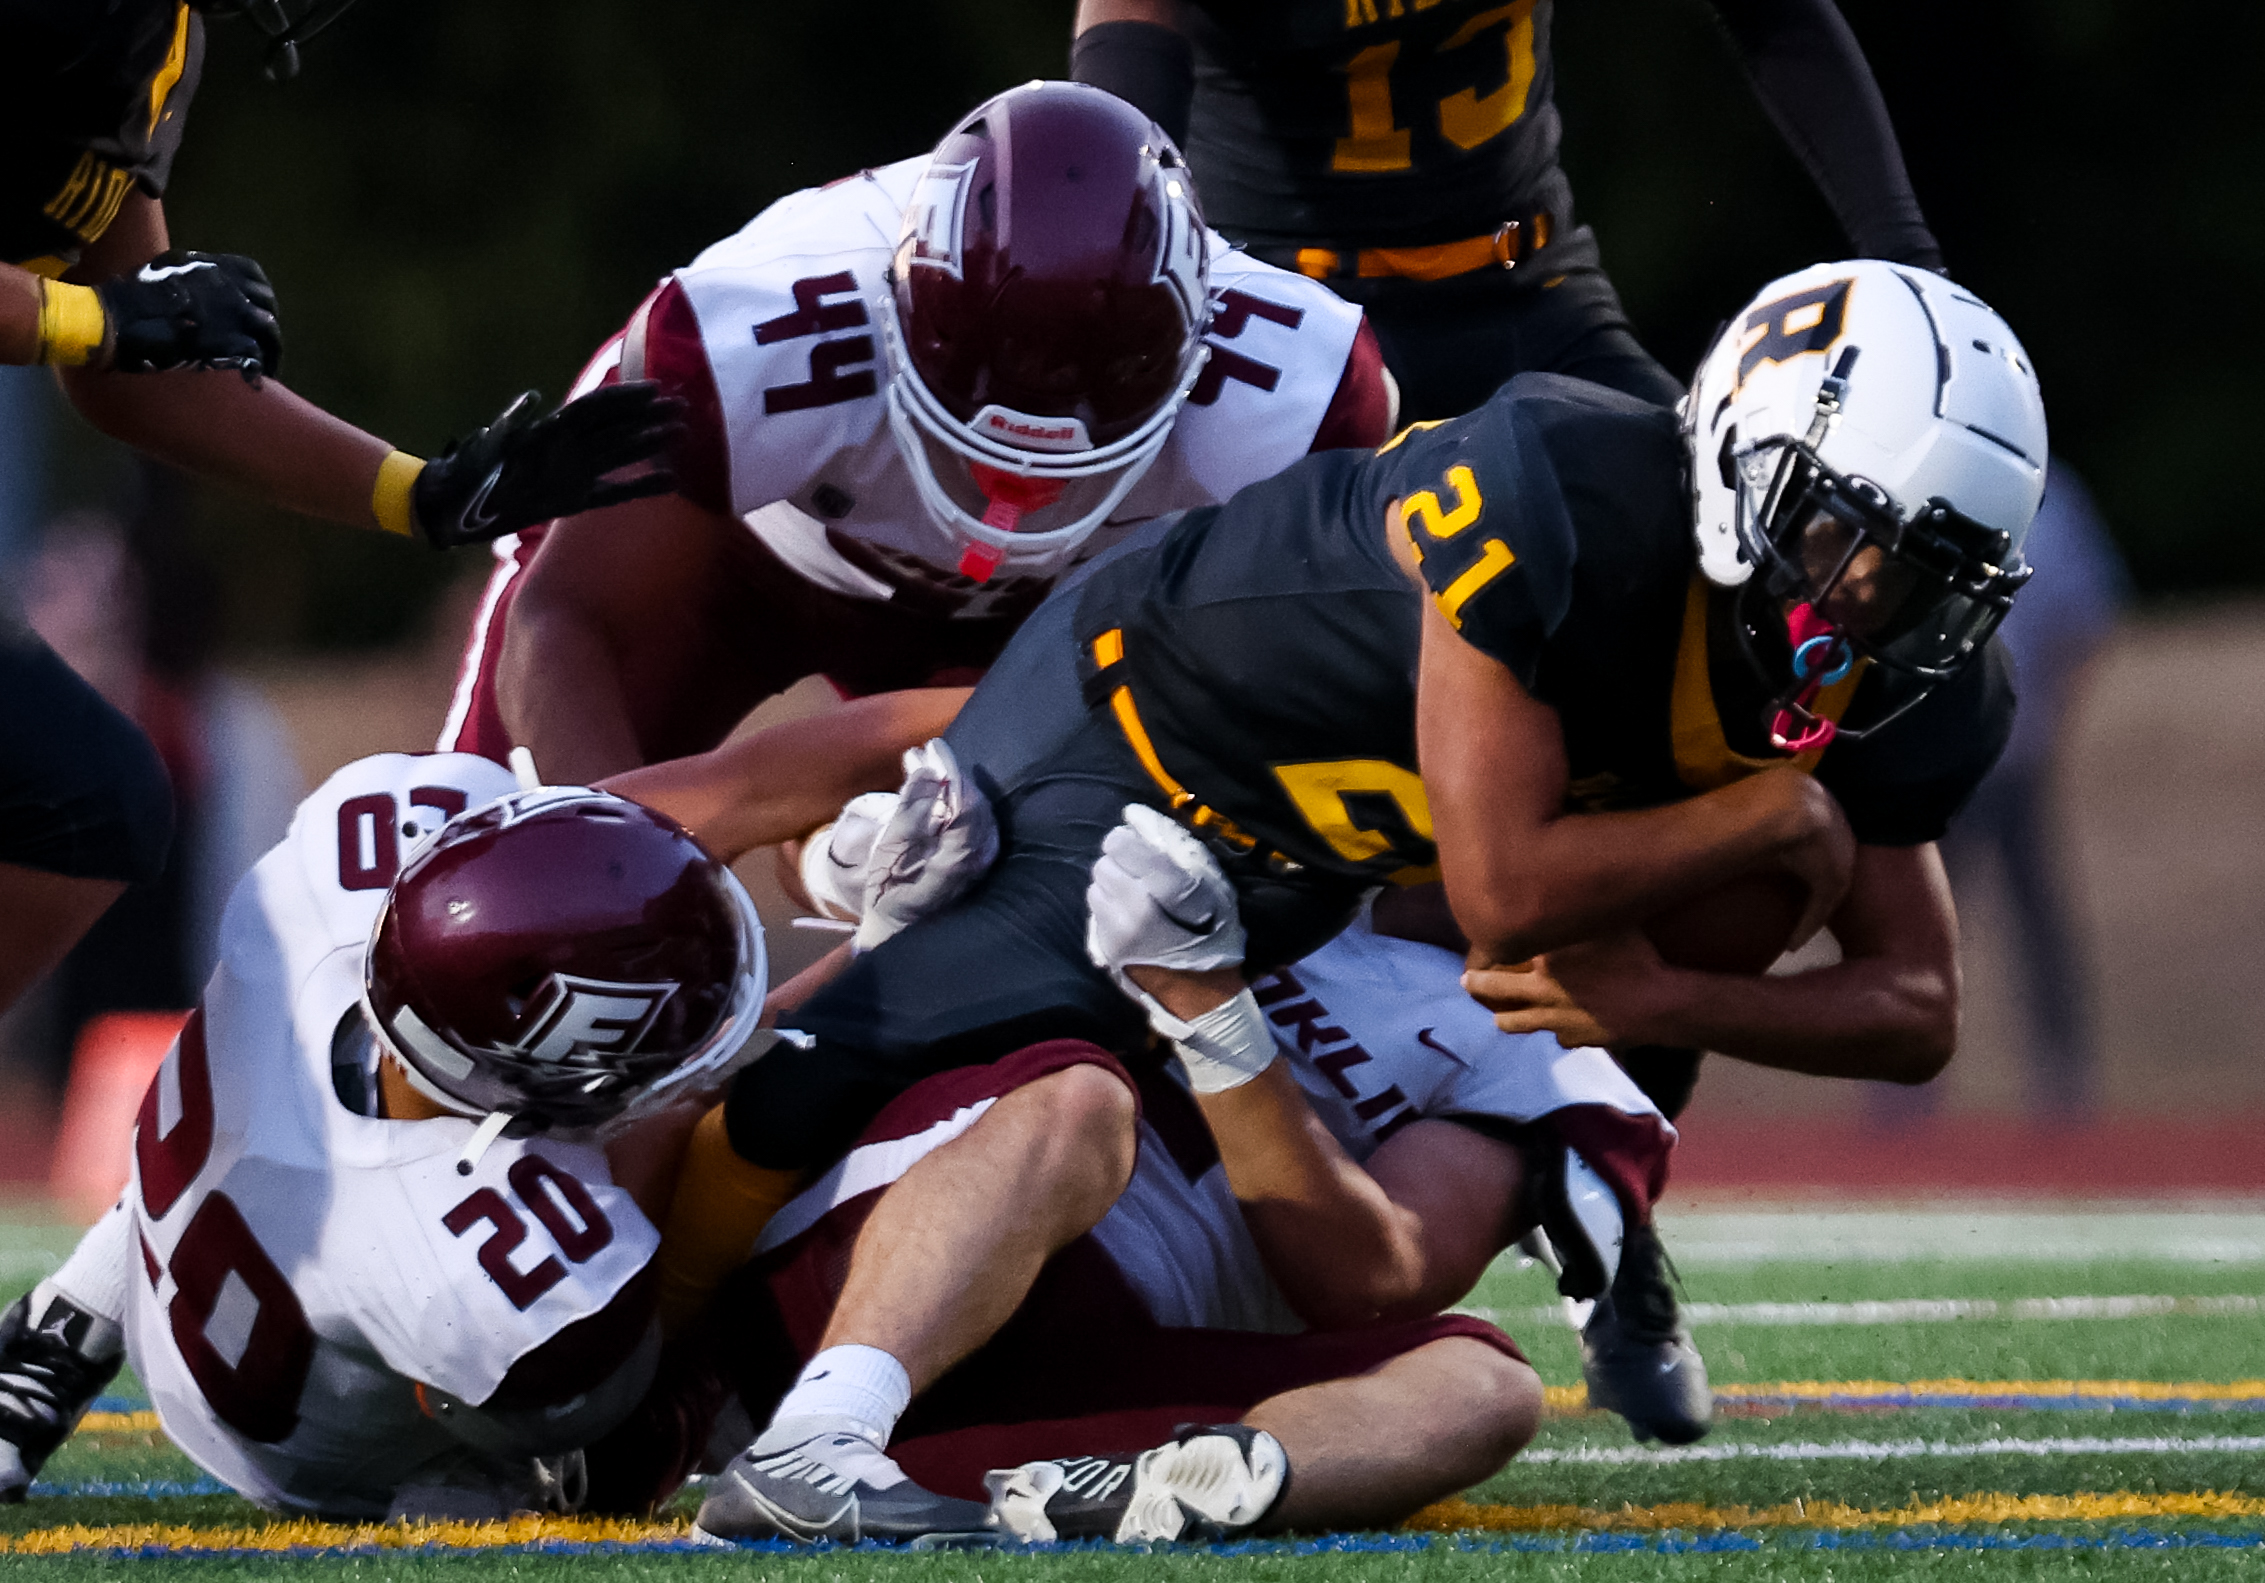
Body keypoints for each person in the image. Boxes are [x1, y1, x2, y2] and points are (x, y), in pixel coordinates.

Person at [672, 260, 2046, 1445]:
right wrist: (1775, 816)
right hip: (1153, 737)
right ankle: (635, 1351)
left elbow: (1918, 1008)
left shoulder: (1875, 683)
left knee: (1011, 1061)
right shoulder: (1572, 509)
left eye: (1926, 582)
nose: (1870, 601)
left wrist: (1663, 1000)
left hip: (1299, 873)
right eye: (1846, 541)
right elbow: (1502, 892)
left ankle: (1606, 1221)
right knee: (826, 1058)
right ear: (1750, 457)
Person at [694, 806, 1668, 1543]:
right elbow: (828, 821)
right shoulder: (1258, 806)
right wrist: (854, 871)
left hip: (1089, 1377)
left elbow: (1368, 1278)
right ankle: (819, 1430)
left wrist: (1216, 1017)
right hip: (873, 1264)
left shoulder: (1548, 1048)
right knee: (1080, 1100)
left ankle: (1117, 1497)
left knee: (1487, 1386)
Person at [0, 0, 686, 1019]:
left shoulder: (146, 38)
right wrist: (97, 318)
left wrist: (418, 491)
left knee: (88, 797)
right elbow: (110, 325)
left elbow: (136, 366)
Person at [442, 81, 1393, 782]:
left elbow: (1320, 701)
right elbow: (568, 618)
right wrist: (611, 860)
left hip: (1060, 618)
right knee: (487, 843)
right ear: (893, 320)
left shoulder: (1303, 395)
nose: (1009, 490)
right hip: (744, 564)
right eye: (970, 441)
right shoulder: (740, 345)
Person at [0, 752, 769, 1516]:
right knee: (615, 1417)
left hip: (211, 1229)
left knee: (261, 1075)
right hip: (318, 1460)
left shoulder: (344, 867)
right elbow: (590, 1379)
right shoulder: (457, 1232)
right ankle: (487, 1464)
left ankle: (68, 1321)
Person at [1069, 0, 1942, 419]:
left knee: (1720, 575)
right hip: (1288, 325)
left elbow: (1777, 19)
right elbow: (1123, 117)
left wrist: (1910, 264)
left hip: (1528, 293)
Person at [1937, 459, 2126, 1118]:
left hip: (2014, 754)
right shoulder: (1942, 478)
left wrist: (2050, 719)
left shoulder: (2056, 502)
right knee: (1925, 915)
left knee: (2034, 915)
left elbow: (2086, 621)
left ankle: (2061, 1070)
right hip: (1943, 760)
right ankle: (1903, 1071)